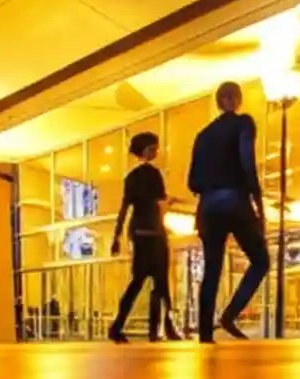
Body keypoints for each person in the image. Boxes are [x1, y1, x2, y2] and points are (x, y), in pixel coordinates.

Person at [188, 81, 270, 343]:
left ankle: (204, 333)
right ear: (236, 99)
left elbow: (192, 181)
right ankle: (230, 314)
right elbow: (247, 161)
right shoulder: (243, 123)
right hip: (234, 199)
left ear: (218, 102)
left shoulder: (202, 135)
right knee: (260, 260)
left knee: (212, 269)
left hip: (208, 204)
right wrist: (257, 202)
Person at [108, 131, 181, 343]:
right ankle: (159, 329)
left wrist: (116, 237)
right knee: (160, 284)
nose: (156, 152)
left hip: (138, 232)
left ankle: (117, 325)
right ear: (146, 150)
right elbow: (159, 202)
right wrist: (170, 203)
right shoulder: (154, 174)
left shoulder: (130, 177)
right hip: (154, 232)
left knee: (137, 282)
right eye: (153, 148)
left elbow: (124, 208)